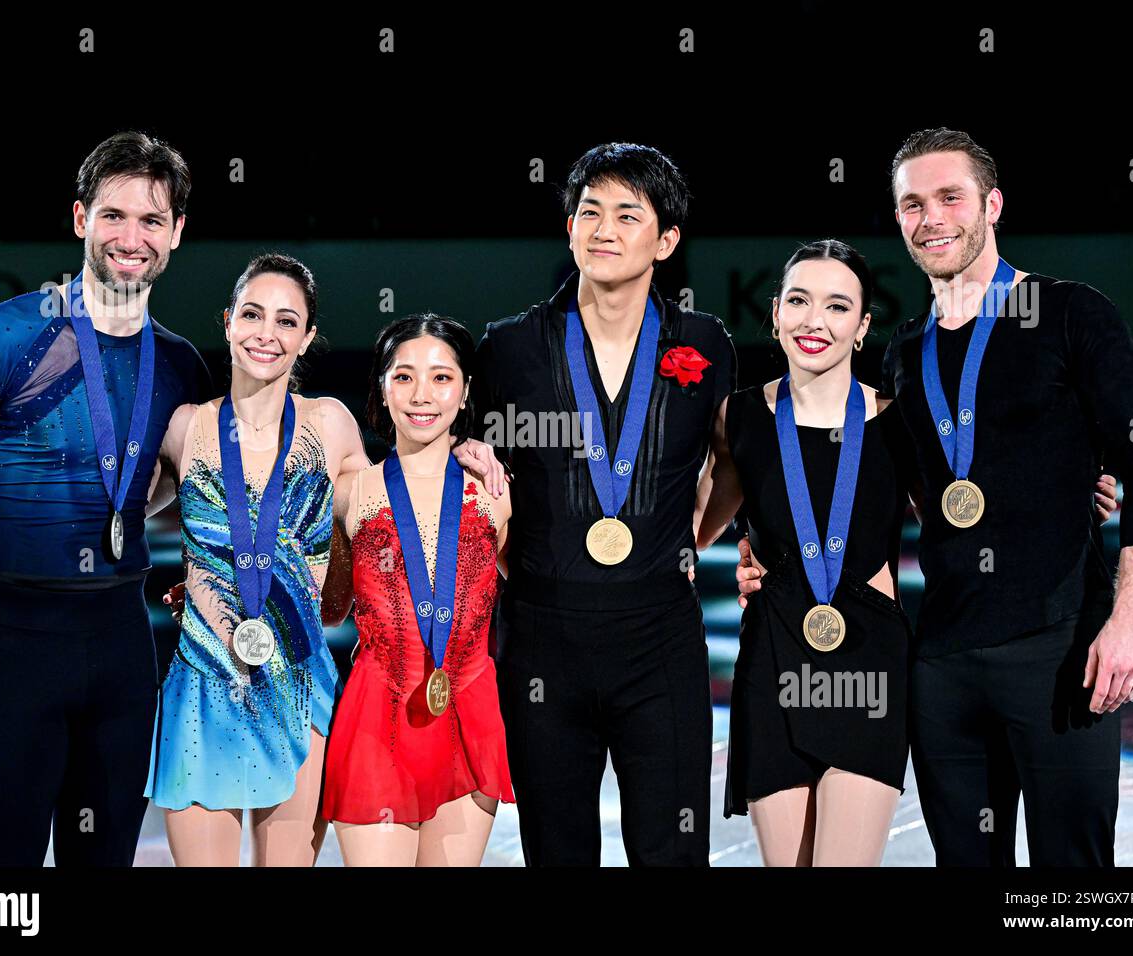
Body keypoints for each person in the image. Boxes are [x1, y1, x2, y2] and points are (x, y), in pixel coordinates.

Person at [736, 128, 1133, 867]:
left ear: (991, 204)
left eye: (949, 197)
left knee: (1076, 882)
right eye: (912, 204)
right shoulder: (906, 351)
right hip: (941, 661)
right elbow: (899, 490)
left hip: (1060, 645)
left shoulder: (1070, 312)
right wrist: (770, 556)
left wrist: (1130, 622)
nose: (931, 217)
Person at [0, 131, 215, 866]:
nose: (130, 238)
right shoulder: (1, 337)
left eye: (151, 220)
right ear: (80, 220)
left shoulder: (178, 364)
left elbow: (164, 481)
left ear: (176, 235)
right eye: (113, 216)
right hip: (7, 651)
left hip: (120, 653)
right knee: (2, 881)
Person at [473, 143, 737, 865]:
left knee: (674, 854)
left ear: (668, 239)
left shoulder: (704, 342)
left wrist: (691, 537)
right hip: (541, 637)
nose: (605, 228)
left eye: (629, 214)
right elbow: (474, 470)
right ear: (568, 228)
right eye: (589, 211)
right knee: (557, 853)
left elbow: (732, 459)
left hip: (660, 636)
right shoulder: (510, 347)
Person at [698, 240, 915, 865]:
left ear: (863, 324)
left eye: (837, 305)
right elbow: (688, 530)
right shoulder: (736, 417)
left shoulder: (899, 424)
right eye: (798, 300)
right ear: (773, 313)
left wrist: (1069, 489)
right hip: (773, 660)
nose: (814, 320)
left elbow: (967, 530)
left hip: (869, 668)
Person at [138, 253, 359, 866]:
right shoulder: (185, 427)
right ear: (229, 321)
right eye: (254, 315)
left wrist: (465, 455)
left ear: (307, 337)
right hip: (204, 681)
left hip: (297, 681)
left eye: (288, 321)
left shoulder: (330, 423)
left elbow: (388, 506)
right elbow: (119, 508)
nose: (268, 332)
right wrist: (1, 507)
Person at [320, 314, 515, 866]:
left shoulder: (497, 490)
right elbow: (330, 608)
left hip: (469, 710)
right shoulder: (349, 490)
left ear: (466, 389)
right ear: (382, 387)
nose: (422, 395)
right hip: (377, 716)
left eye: (441, 377)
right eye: (403, 377)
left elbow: (539, 591)